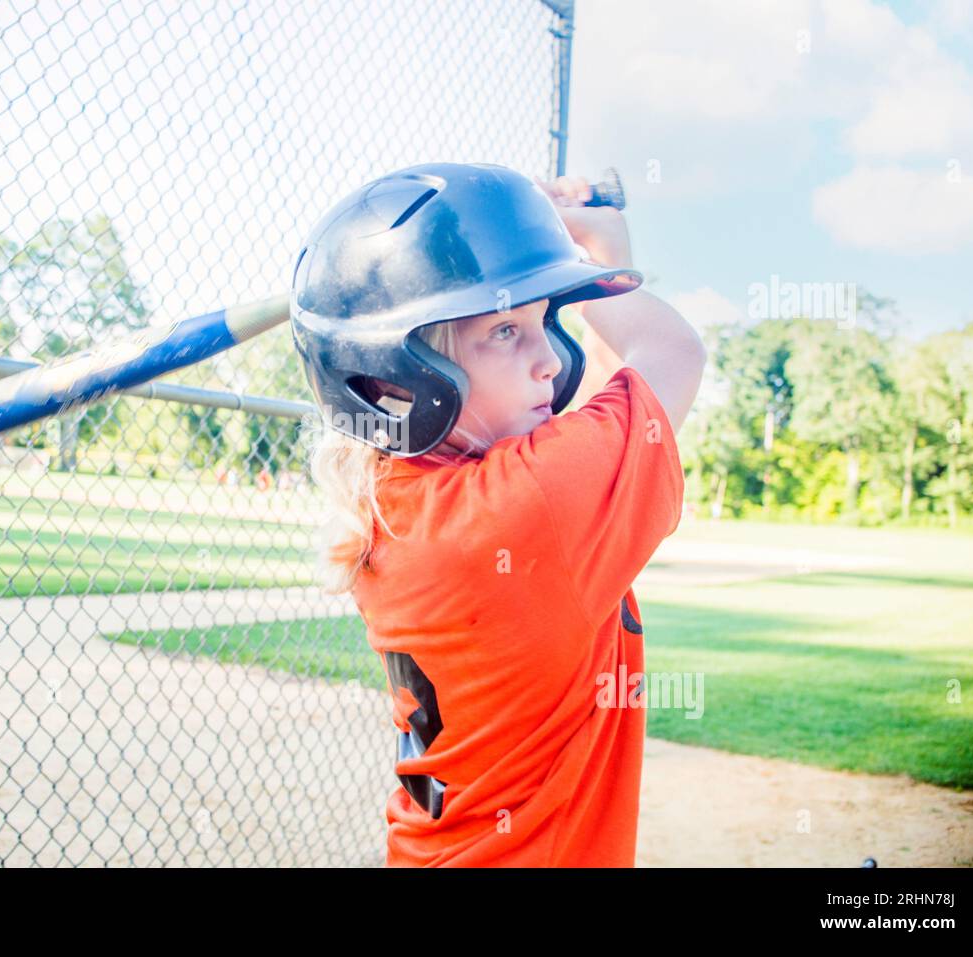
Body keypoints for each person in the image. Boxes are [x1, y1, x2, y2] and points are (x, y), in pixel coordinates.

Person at [289, 162, 706, 867]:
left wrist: (554, 250)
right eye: (507, 332)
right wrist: (593, 250)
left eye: (546, 320)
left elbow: (614, 400)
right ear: (402, 375)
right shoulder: (524, 507)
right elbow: (671, 352)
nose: (548, 359)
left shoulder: (400, 497)